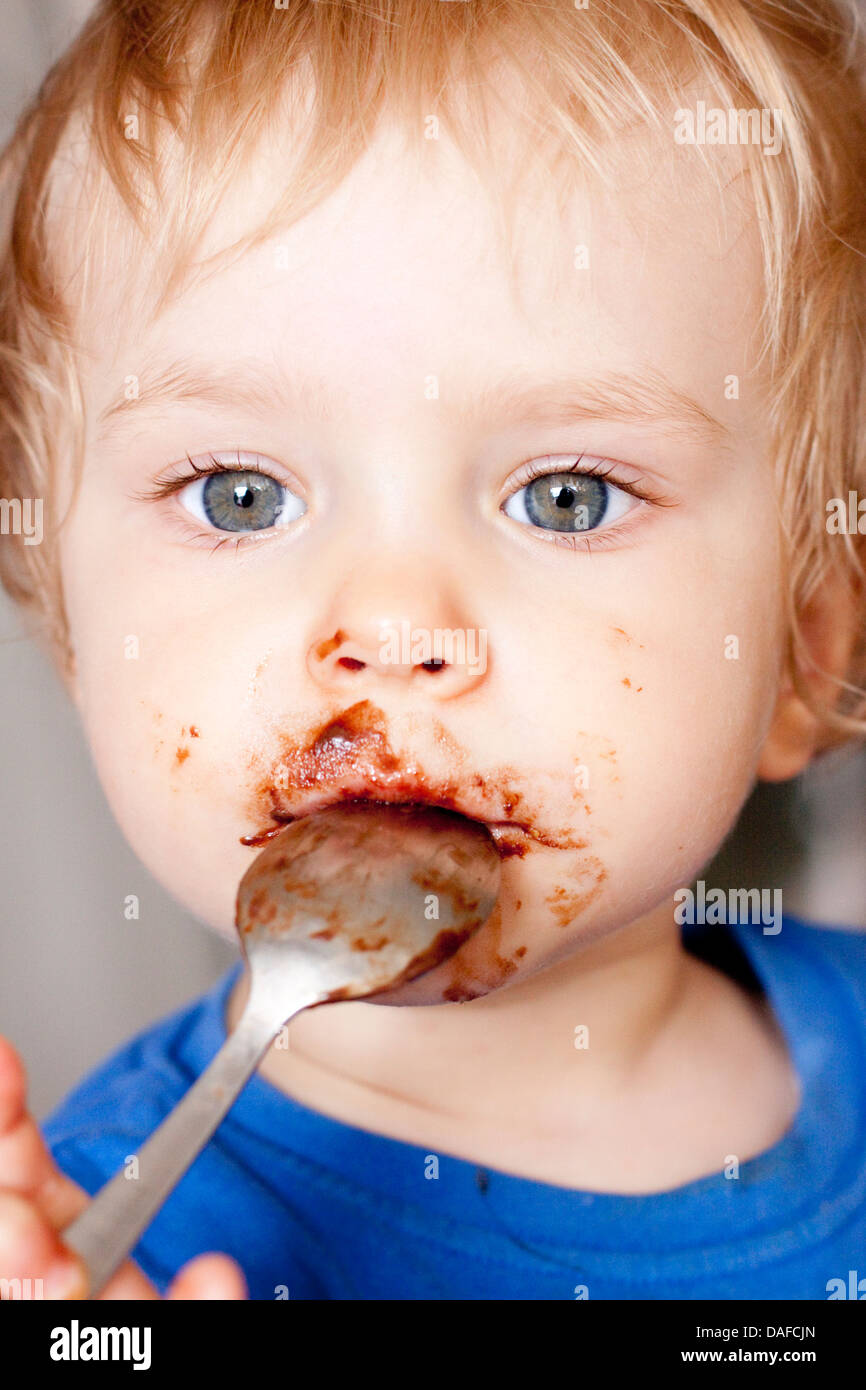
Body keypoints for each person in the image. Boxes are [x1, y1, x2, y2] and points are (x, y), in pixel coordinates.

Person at [1, 0, 865, 1300]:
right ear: (68, 618)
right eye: (241, 494)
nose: (392, 632)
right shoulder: (106, 1250)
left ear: (806, 644)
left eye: (564, 494)